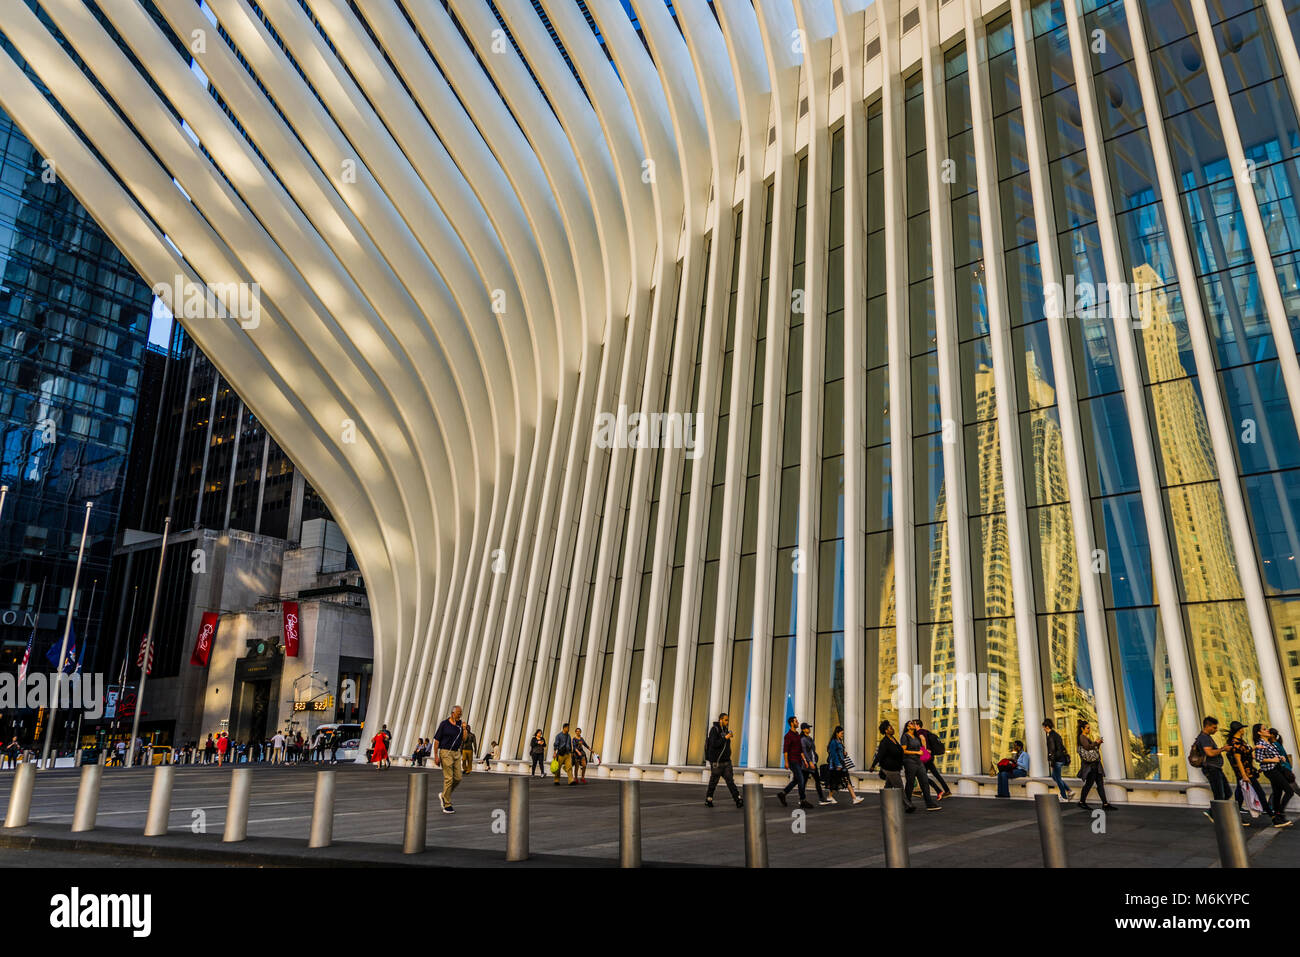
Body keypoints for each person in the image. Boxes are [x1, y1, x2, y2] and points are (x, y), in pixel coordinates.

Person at [1252, 724, 1293, 827]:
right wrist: (1273, 760)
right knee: (1289, 791)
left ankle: (1277, 819)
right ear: (1259, 732)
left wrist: (1280, 757)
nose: (1267, 730)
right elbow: (1258, 758)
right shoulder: (1260, 743)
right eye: (1264, 729)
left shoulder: (1268, 742)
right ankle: (1279, 813)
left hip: (1276, 768)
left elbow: (1273, 755)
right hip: (1271, 770)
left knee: (1277, 793)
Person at [1191, 716, 1229, 817]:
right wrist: (1223, 749)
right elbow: (1210, 753)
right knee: (1219, 795)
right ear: (1207, 726)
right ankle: (1214, 814)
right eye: (1214, 728)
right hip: (1211, 769)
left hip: (1215, 768)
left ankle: (1214, 812)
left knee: (1227, 792)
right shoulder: (1204, 738)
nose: (1216, 730)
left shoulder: (1205, 737)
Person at [870, 720, 912, 811]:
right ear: (886, 731)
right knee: (899, 786)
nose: (892, 729)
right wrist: (873, 766)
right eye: (890, 728)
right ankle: (907, 805)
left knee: (888, 787)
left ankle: (885, 803)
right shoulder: (884, 742)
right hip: (889, 768)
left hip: (896, 767)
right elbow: (879, 755)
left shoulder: (893, 739)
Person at [704, 712, 743, 808]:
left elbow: (726, 745)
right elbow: (714, 744)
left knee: (730, 781)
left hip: (726, 762)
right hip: (717, 762)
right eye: (726, 720)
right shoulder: (714, 730)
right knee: (713, 781)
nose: (727, 722)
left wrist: (727, 737)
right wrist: (725, 738)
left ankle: (738, 799)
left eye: (728, 720)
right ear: (720, 720)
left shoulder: (725, 730)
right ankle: (709, 799)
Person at [901, 719, 941, 810]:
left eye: (914, 723)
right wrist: (916, 752)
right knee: (910, 783)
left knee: (924, 782)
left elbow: (922, 747)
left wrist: (924, 745)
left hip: (919, 762)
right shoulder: (905, 736)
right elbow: (903, 750)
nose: (913, 724)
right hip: (909, 762)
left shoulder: (916, 736)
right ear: (908, 727)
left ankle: (929, 803)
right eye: (911, 723)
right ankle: (908, 803)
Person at [433, 706, 465, 812]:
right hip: (445, 752)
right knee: (449, 778)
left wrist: (464, 728)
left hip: (456, 753)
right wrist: (436, 756)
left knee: (458, 778)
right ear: (452, 713)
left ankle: (444, 795)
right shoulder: (444, 724)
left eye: (461, 713)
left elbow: (464, 739)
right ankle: (447, 804)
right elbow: (437, 740)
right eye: (458, 713)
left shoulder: (460, 725)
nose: (460, 715)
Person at [1076, 720, 1113, 811]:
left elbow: (1093, 750)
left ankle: (1105, 803)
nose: (1089, 729)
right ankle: (1081, 802)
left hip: (1096, 765)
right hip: (1091, 766)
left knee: (1100, 784)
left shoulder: (1086, 737)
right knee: (1089, 784)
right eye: (1087, 728)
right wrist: (1096, 742)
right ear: (1082, 729)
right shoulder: (1082, 737)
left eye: (1089, 728)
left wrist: (1098, 743)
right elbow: (1087, 747)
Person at [778, 716, 813, 809]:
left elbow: (801, 750)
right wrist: (786, 762)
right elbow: (785, 751)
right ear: (791, 723)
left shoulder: (797, 734)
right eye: (796, 721)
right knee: (801, 779)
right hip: (792, 761)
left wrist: (805, 761)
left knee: (796, 780)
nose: (797, 722)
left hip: (798, 760)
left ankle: (783, 793)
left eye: (797, 721)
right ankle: (803, 800)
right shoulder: (788, 736)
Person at [826, 726, 863, 804]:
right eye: (841, 733)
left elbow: (839, 753)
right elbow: (833, 754)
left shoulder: (839, 741)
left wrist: (844, 754)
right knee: (842, 780)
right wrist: (838, 764)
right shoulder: (833, 742)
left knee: (842, 780)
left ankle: (830, 796)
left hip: (841, 764)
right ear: (837, 733)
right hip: (837, 765)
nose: (842, 735)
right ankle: (854, 798)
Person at [916, 719, 951, 800]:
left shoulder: (919, 732)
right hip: (930, 756)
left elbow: (923, 739)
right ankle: (947, 790)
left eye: (914, 724)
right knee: (935, 775)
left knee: (922, 775)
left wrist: (924, 750)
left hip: (925, 757)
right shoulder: (926, 731)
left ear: (917, 725)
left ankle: (937, 791)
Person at [800, 723, 833, 805]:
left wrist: (815, 758)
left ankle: (821, 798)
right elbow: (804, 752)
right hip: (807, 765)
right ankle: (802, 799)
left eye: (809, 728)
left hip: (813, 763)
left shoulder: (810, 738)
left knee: (817, 781)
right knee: (804, 782)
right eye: (807, 728)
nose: (809, 729)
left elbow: (812, 751)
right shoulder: (803, 739)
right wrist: (809, 762)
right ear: (803, 729)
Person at [1043, 719, 1073, 802]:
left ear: (1047, 726)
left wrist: (1052, 762)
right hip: (1060, 758)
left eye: (1044, 727)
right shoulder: (1056, 735)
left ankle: (1064, 797)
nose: (1043, 729)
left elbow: (1052, 750)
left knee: (1058, 778)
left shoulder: (1051, 736)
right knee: (1054, 776)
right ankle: (1069, 791)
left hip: (1056, 760)